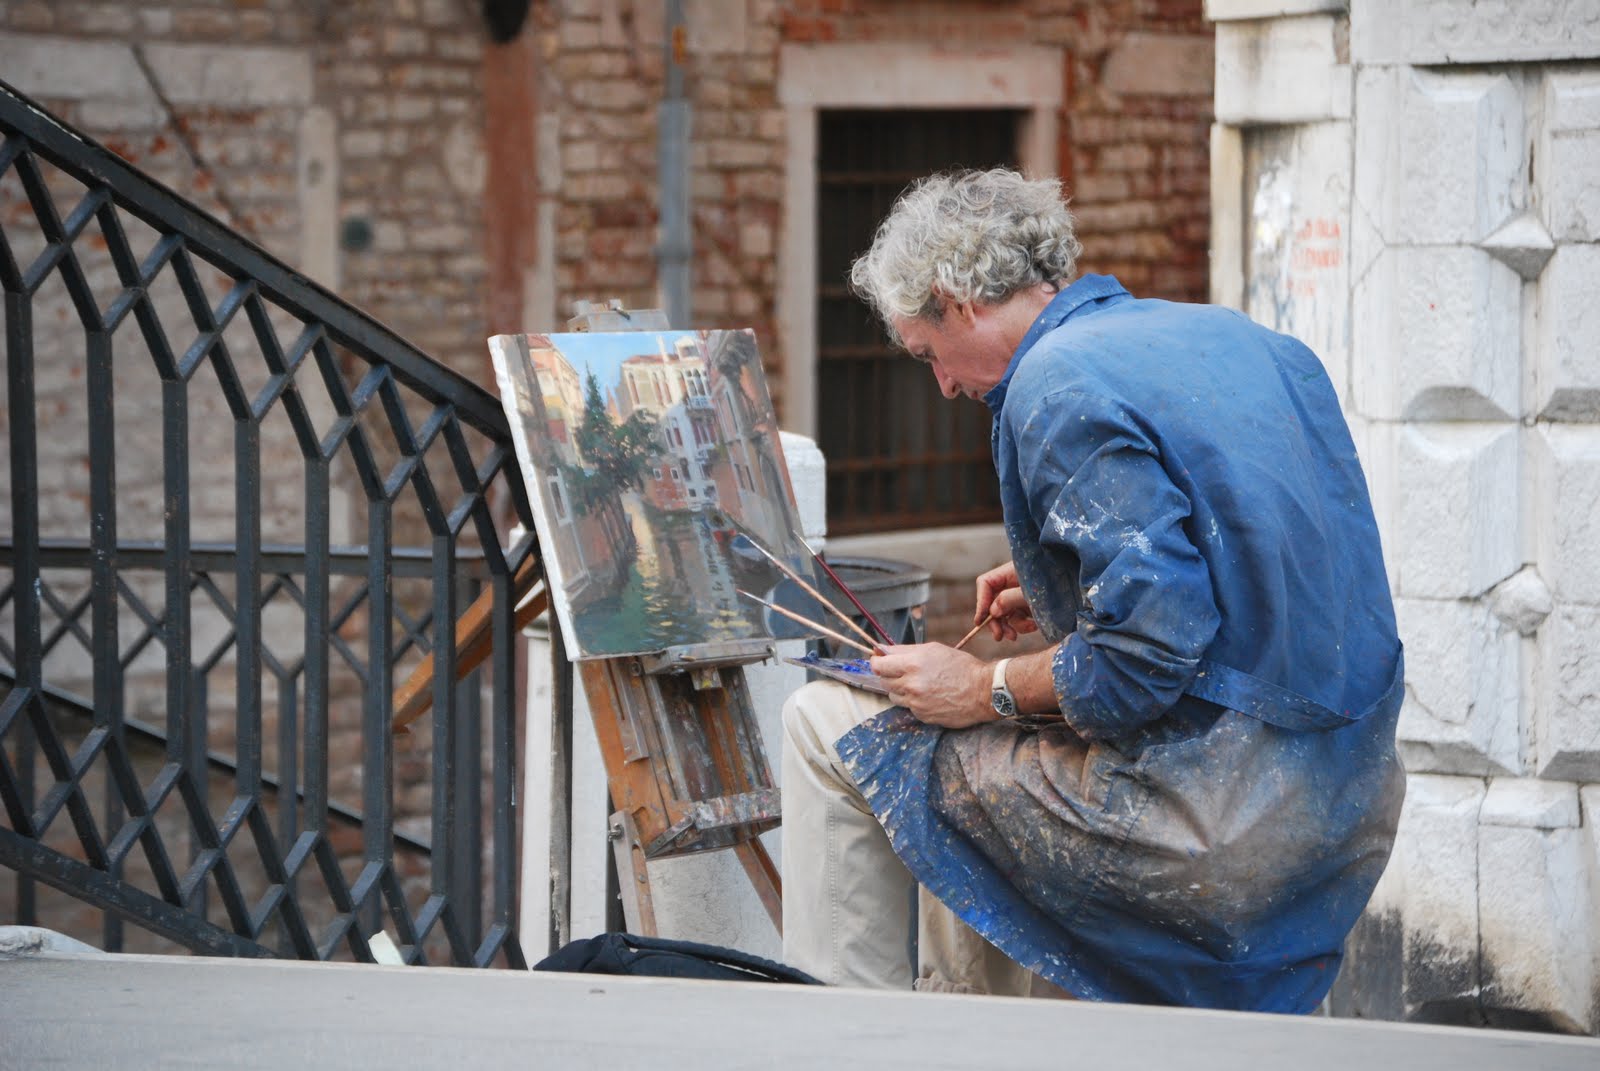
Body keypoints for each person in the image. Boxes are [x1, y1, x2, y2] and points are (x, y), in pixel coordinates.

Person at [779, 168, 1405, 1012]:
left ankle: (843, 1042)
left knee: (828, 723)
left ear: (956, 299)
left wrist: (983, 688)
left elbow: (1144, 658)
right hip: (1345, 807)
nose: (945, 386)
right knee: (955, 757)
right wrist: (1064, 590)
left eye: (929, 354)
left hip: (1207, 825)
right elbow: (1261, 564)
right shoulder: (1242, 338)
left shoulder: (1054, 384)